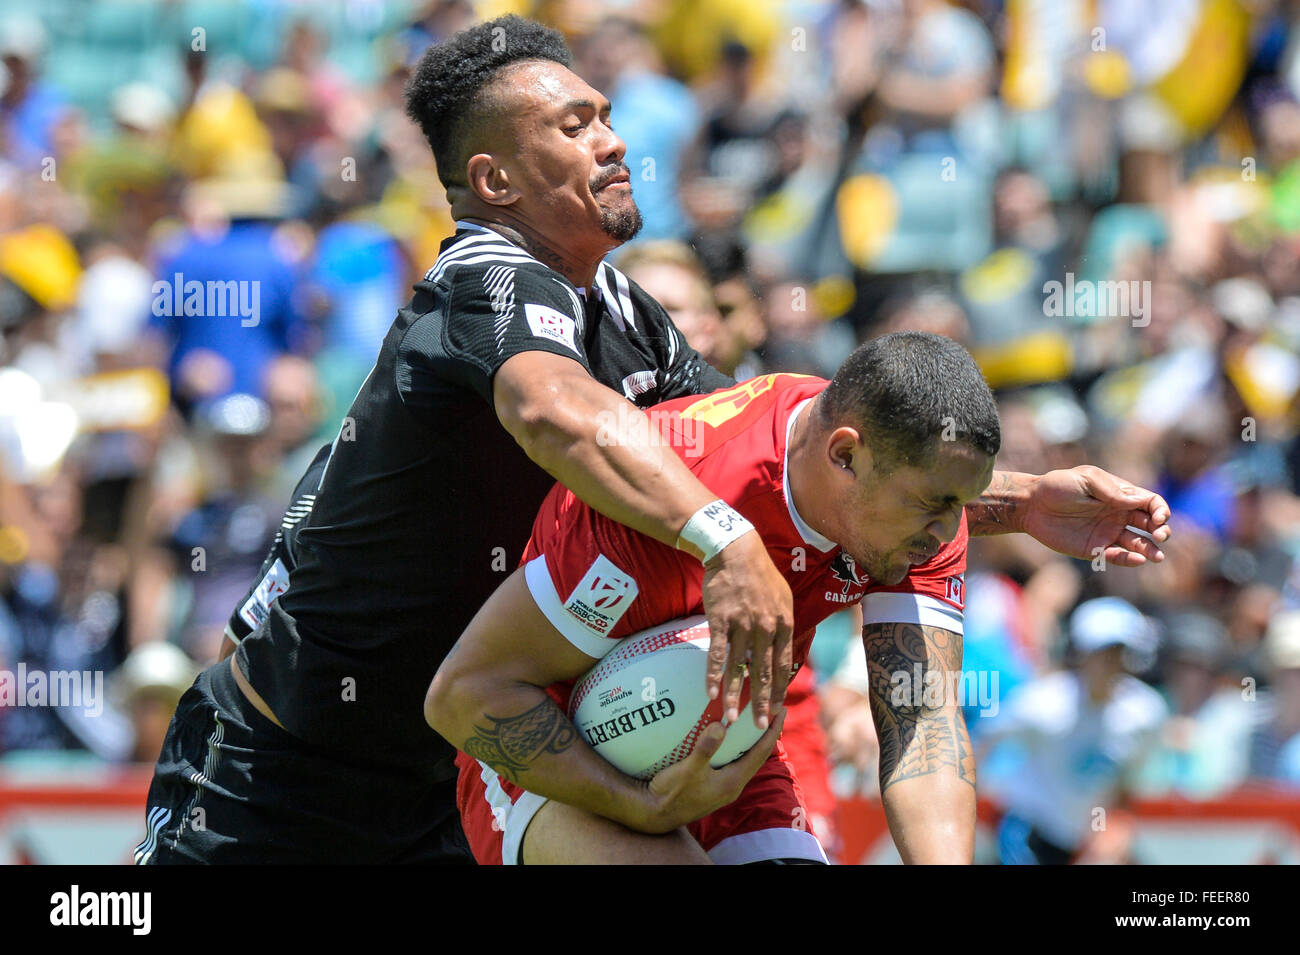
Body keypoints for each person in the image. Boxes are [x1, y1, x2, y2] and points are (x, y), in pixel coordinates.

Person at [139, 15, 1171, 865]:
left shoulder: (629, 315)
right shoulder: (481, 276)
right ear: (495, 179)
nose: (613, 139)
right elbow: (554, 411)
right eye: (576, 125)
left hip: (458, 768)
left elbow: (797, 472)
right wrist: (723, 544)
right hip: (276, 774)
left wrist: (1018, 506)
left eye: (607, 115)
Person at [429, 333, 997, 864]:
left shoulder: (918, 497)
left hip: (730, 755)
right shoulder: (653, 507)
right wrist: (640, 805)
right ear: (844, 455)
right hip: (547, 754)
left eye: (961, 504)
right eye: (936, 503)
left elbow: (923, 719)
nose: (949, 530)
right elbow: (465, 694)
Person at [979, 598, 1167, 865]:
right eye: (1101, 653)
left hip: (1082, 839)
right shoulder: (1044, 702)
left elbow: (1128, 782)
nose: (1108, 664)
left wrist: (1115, 827)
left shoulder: (1145, 713)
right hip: (1027, 829)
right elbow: (983, 741)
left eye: (1117, 653)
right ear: (1081, 653)